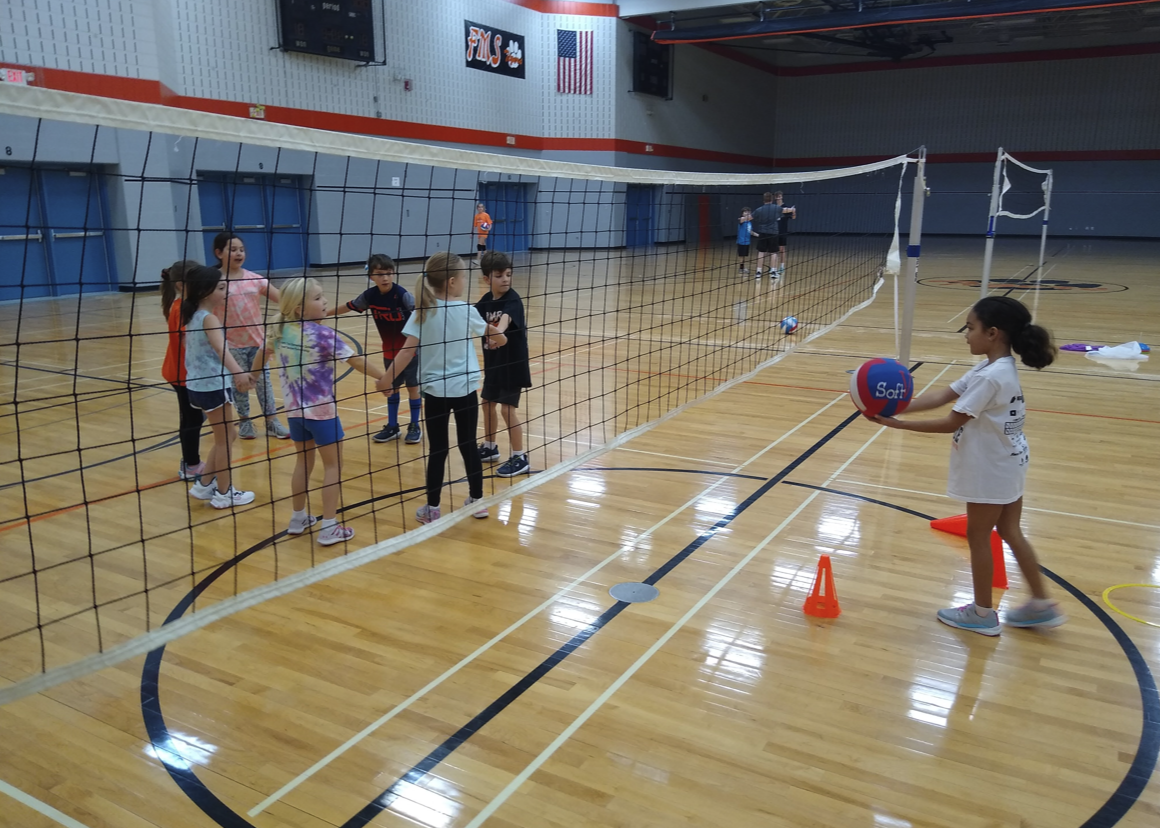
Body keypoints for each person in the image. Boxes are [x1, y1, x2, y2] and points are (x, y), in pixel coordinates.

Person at [874, 296, 1065, 635]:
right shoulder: (991, 368)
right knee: (1010, 531)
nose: (966, 334)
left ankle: (982, 614)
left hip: (990, 468)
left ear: (992, 333)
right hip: (1011, 460)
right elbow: (943, 396)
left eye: (971, 327)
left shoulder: (991, 378)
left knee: (978, 536)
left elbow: (950, 421)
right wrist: (896, 407)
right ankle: (1041, 602)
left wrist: (898, 425)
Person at [254, 277, 388, 546]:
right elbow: (356, 361)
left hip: (294, 413)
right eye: (317, 298)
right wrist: (384, 378)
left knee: (303, 463)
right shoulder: (324, 335)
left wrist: (250, 377)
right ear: (299, 309)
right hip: (322, 413)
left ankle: (297, 518)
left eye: (322, 295)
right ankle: (329, 526)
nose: (324, 301)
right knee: (332, 466)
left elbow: (261, 353)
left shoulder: (281, 330)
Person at [378, 252, 507, 524]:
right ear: (451, 281)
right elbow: (500, 338)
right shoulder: (466, 311)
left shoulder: (423, 312)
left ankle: (432, 508)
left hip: (436, 393)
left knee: (438, 450)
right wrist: (499, 336)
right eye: (462, 278)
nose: (464, 282)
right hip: (466, 391)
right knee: (468, 445)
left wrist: (387, 379)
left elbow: (405, 353)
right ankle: (477, 502)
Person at [182, 265, 257, 509]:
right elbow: (221, 350)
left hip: (197, 386)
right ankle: (225, 493)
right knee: (225, 439)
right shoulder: (209, 319)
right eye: (222, 287)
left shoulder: (192, 316)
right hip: (213, 386)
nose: (227, 291)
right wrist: (240, 373)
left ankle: (204, 486)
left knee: (228, 434)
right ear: (205, 292)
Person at [329, 254, 423, 445]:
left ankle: (414, 425)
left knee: (413, 387)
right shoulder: (369, 296)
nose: (385, 278)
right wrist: (323, 314)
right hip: (389, 351)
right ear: (371, 276)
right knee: (391, 388)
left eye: (389, 273)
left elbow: (421, 313)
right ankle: (392, 426)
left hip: (410, 351)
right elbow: (349, 306)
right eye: (380, 274)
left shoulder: (402, 295)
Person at [211, 232, 289, 440]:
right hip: (230, 345)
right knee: (240, 384)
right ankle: (244, 420)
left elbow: (281, 299)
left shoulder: (255, 280)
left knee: (263, 382)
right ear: (219, 253)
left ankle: (272, 421)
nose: (239, 253)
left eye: (242, 250)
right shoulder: (214, 282)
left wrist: (301, 299)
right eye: (233, 249)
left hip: (258, 343)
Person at [475, 251, 532, 477]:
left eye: (508, 274)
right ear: (487, 279)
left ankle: (519, 456)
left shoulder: (513, 300)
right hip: (494, 365)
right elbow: (468, 317)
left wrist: (495, 332)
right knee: (487, 404)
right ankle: (490, 447)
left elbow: (505, 321)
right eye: (499, 276)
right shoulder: (485, 303)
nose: (506, 279)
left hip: (513, 365)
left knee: (508, 410)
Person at [159, 260, 205, 482]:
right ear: (180, 284)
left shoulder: (186, 305)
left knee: (192, 416)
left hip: (181, 372)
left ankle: (190, 462)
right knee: (192, 418)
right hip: (181, 374)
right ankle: (191, 464)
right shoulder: (181, 309)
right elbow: (188, 341)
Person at [749, 192, 780, 279]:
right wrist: (792, 210)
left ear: (763, 200)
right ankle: (773, 271)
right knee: (773, 252)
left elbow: (750, 217)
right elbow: (785, 210)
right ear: (772, 199)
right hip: (773, 233)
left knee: (761, 252)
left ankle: (758, 272)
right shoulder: (776, 208)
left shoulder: (759, 209)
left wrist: (742, 219)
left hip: (763, 233)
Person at [770, 190, 797, 277]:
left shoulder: (786, 207)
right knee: (774, 250)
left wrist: (793, 212)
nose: (778, 197)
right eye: (776, 196)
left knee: (782, 249)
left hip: (783, 231)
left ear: (782, 197)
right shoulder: (773, 207)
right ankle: (773, 267)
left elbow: (793, 218)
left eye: (779, 196)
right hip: (774, 231)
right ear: (774, 197)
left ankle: (782, 266)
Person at [736, 208, 755, 274]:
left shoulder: (749, 223)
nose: (747, 213)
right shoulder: (742, 220)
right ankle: (741, 269)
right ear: (742, 213)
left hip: (747, 241)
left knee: (744, 256)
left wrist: (758, 235)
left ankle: (743, 268)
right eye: (745, 212)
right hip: (741, 241)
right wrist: (747, 216)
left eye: (748, 212)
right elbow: (741, 220)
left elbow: (751, 231)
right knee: (741, 255)